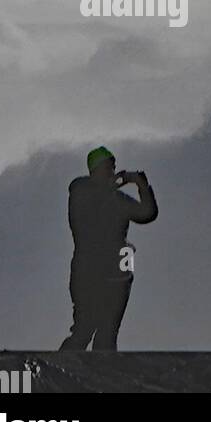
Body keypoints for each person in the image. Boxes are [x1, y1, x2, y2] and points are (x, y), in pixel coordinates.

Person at [58, 146, 158, 351]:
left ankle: (102, 368)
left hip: (118, 271)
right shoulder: (80, 192)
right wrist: (114, 185)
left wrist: (143, 186)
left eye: (113, 167)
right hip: (88, 271)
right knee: (84, 328)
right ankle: (65, 365)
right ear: (94, 170)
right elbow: (90, 203)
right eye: (107, 167)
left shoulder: (117, 199)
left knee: (108, 332)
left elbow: (147, 213)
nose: (112, 172)